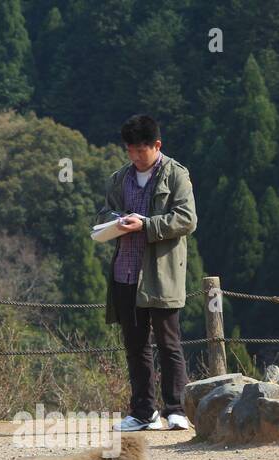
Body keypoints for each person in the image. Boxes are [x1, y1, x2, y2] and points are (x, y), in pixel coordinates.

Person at [97, 114, 196, 431]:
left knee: (169, 344)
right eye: (130, 150)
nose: (136, 157)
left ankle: (176, 408)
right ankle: (143, 411)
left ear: (157, 145)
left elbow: (186, 219)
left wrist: (147, 225)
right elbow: (104, 211)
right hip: (125, 272)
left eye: (142, 150)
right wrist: (117, 221)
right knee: (135, 345)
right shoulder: (120, 178)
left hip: (161, 274)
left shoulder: (176, 175)